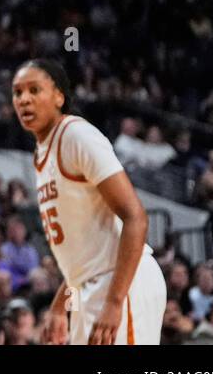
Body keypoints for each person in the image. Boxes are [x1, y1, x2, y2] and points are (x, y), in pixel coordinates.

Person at [13, 58, 167, 345]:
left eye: (35, 90)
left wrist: (114, 302)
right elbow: (83, 253)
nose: (24, 99)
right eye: (17, 92)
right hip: (89, 286)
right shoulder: (41, 155)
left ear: (59, 96)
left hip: (121, 283)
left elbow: (136, 217)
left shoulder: (76, 135)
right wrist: (60, 305)